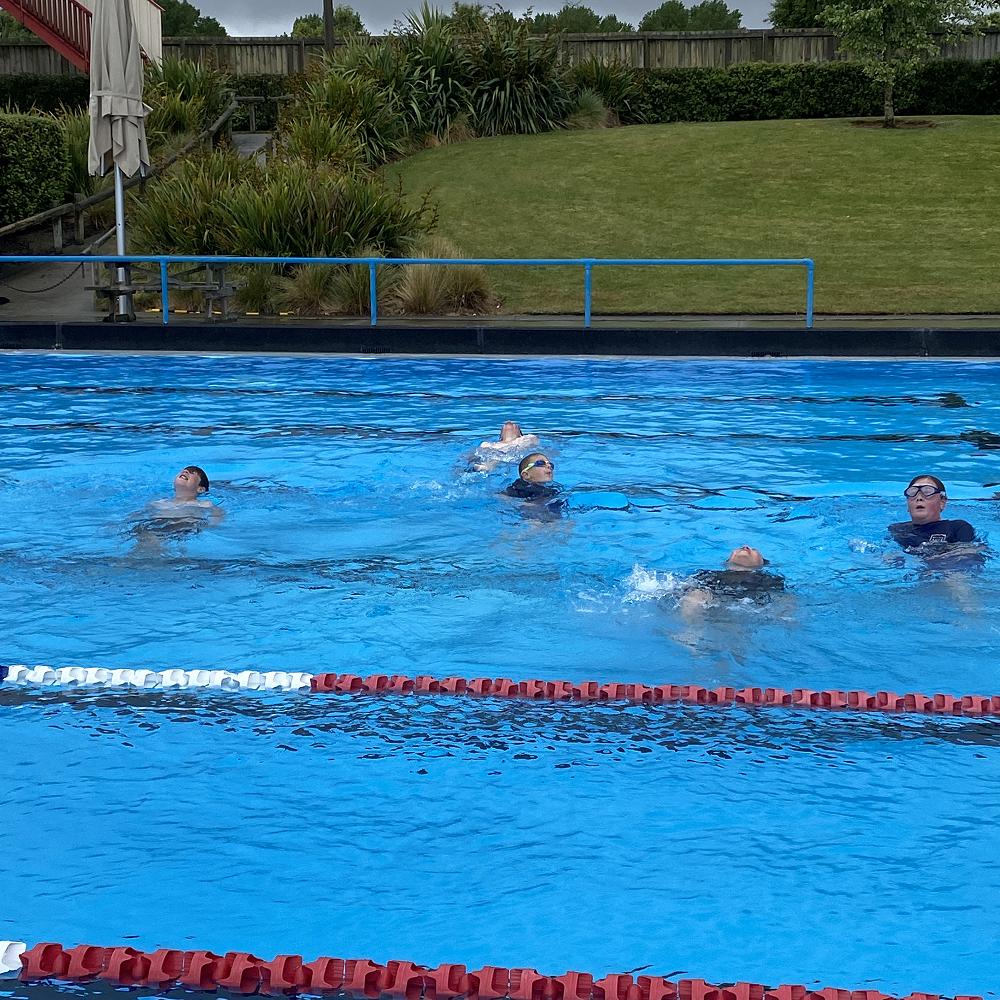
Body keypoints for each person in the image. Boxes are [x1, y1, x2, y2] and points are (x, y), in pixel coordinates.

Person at [677, 545, 785, 619]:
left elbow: (786, 602)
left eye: (754, 550)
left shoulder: (770, 580)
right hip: (730, 603)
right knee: (697, 594)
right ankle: (692, 631)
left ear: (762, 563)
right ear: (728, 561)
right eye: (739, 548)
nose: (745, 546)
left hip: (745, 607)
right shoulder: (709, 575)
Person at [888, 474, 975, 550]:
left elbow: (969, 555)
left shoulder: (958, 528)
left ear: (942, 502)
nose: (919, 498)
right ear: (907, 504)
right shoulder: (898, 530)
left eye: (927, 491)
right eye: (913, 492)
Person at [502, 453, 565, 519]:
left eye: (551, 464)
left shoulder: (552, 489)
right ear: (526, 475)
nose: (549, 466)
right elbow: (502, 497)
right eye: (541, 463)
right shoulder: (519, 488)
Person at [470, 421, 540, 472]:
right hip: (500, 455)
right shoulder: (487, 444)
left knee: (497, 457)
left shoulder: (525, 439)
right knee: (494, 456)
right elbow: (473, 455)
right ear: (501, 435)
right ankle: (485, 467)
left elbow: (535, 443)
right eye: (504, 425)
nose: (509, 422)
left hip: (511, 456)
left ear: (520, 433)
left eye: (514, 424)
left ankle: (487, 467)